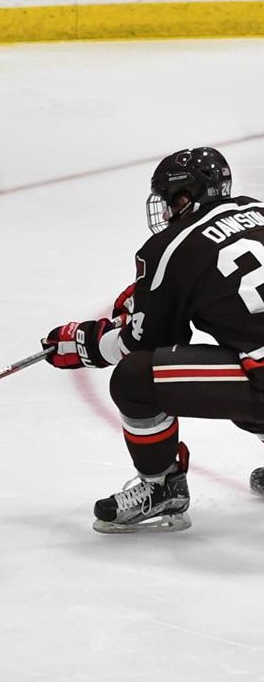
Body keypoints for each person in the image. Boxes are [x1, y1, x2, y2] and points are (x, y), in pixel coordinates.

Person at [43, 146, 264, 533]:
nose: (164, 211)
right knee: (243, 354)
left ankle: (161, 488)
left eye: (167, 199)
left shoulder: (170, 248)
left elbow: (141, 344)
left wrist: (83, 342)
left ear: (184, 196)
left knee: (137, 378)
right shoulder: (257, 209)